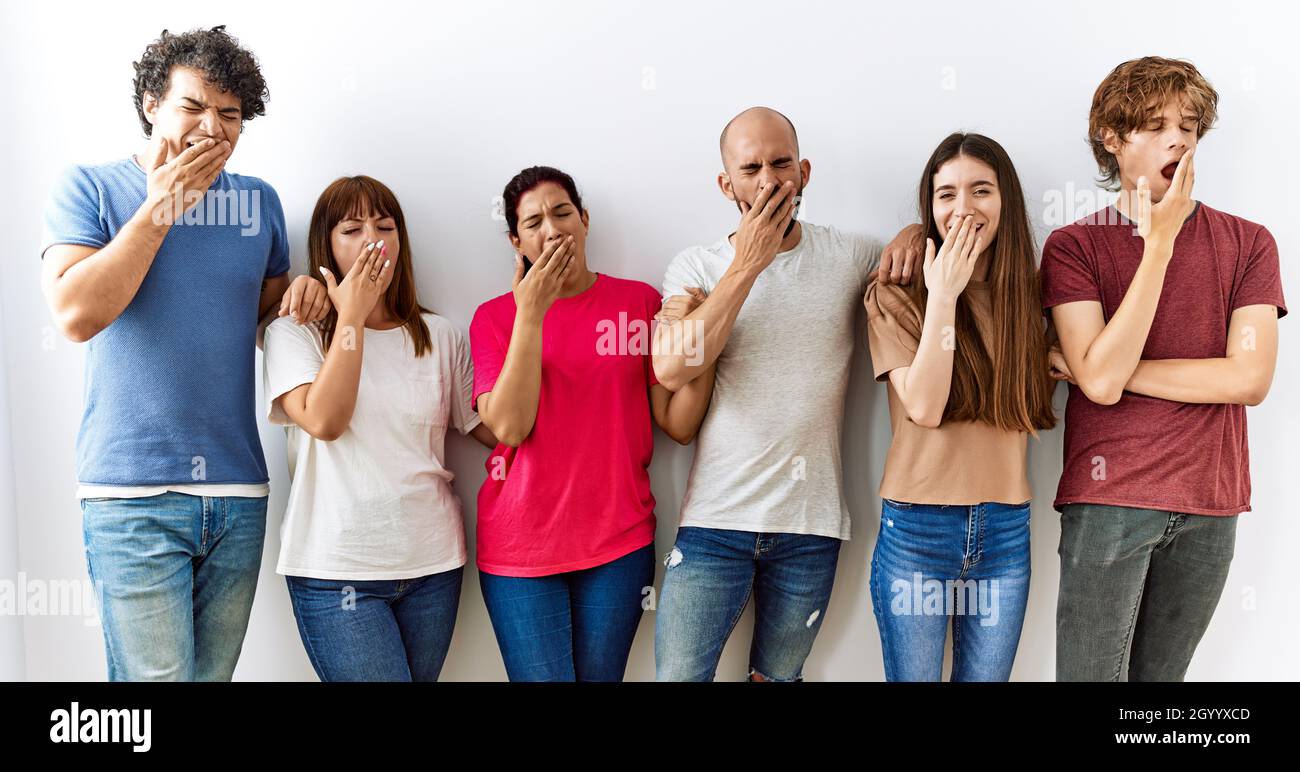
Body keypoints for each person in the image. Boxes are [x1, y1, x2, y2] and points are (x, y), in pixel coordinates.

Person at [39, 26, 331, 681]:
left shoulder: (259, 204)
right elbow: (76, 314)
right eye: (194, 107)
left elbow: (268, 314)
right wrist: (160, 209)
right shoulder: (89, 187)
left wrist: (305, 293)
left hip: (237, 496)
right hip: (130, 499)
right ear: (151, 104)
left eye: (231, 116)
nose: (214, 128)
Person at [650, 106, 918, 681]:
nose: (769, 181)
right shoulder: (698, 265)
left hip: (810, 525)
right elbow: (673, 368)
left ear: (805, 171)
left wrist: (913, 230)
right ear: (727, 184)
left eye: (781, 164)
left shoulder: (847, 254)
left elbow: (916, 259)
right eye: (750, 169)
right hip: (715, 522)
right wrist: (747, 265)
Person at [1042, 56, 1285, 681]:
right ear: (1113, 140)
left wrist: (1109, 368)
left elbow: (1248, 381)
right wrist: (1160, 245)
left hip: (1211, 502)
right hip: (1109, 501)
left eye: (1188, 125)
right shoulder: (1074, 246)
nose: (1178, 139)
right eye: (1154, 125)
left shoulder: (1251, 242)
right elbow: (1098, 382)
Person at [469, 165, 714, 681]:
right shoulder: (493, 318)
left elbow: (678, 423)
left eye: (562, 213)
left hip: (618, 545)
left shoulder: (637, 303)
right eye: (533, 222)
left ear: (583, 220)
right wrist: (529, 314)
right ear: (516, 241)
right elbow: (511, 428)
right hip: (521, 551)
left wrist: (705, 338)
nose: (552, 230)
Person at [264, 176, 496, 681]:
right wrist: (350, 311)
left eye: (385, 225)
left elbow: (493, 430)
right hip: (335, 570)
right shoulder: (292, 332)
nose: (373, 238)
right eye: (352, 228)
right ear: (325, 244)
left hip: (433, 565)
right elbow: (326, 420)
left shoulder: (440, 335)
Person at [864, 132, 1058, 681]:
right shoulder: (895, 292)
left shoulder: (1027, 297)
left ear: (1006, 202)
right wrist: (943, 294)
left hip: (1005, 530)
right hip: (916, 531)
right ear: (930, 205)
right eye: (946, 194)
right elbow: (924, 405)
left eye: (981, 191)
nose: (963, 208)